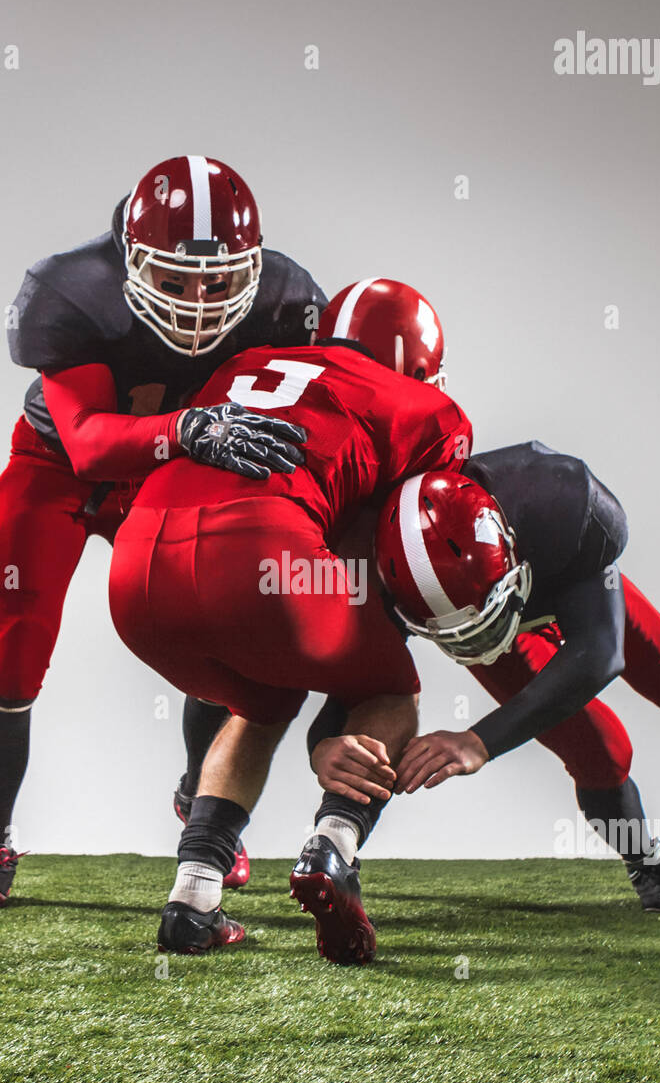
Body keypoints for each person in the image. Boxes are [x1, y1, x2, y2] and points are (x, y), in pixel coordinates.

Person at [0, 155, 324, 908]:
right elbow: (87, 439)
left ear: (252, 271)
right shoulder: (72, 290)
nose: (197, 300)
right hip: (58, 469)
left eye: (219, 283)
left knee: (210, 631)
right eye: (175, 280)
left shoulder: (287, 299)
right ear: (127, 262)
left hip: (168, 474)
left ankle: (199, 796)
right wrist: (189, 427)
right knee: (15, 657)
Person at [109, 280, 472, 963]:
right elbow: (402, 532)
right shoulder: (430, 406)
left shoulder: (242, 365)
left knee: (261, 699)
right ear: (421, 363)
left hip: (135, 580)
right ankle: (332, 848)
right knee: (392, 691)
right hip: (261, 566)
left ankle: (192, 898)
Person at [354, 453, 660, 915]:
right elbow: (347, 689)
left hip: (565, 583)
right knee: (600, 751)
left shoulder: (560, 509)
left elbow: (600, 654)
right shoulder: (374, 576)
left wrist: (480, 741)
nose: (477, 642)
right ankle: (645, 859)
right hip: (497, 609)